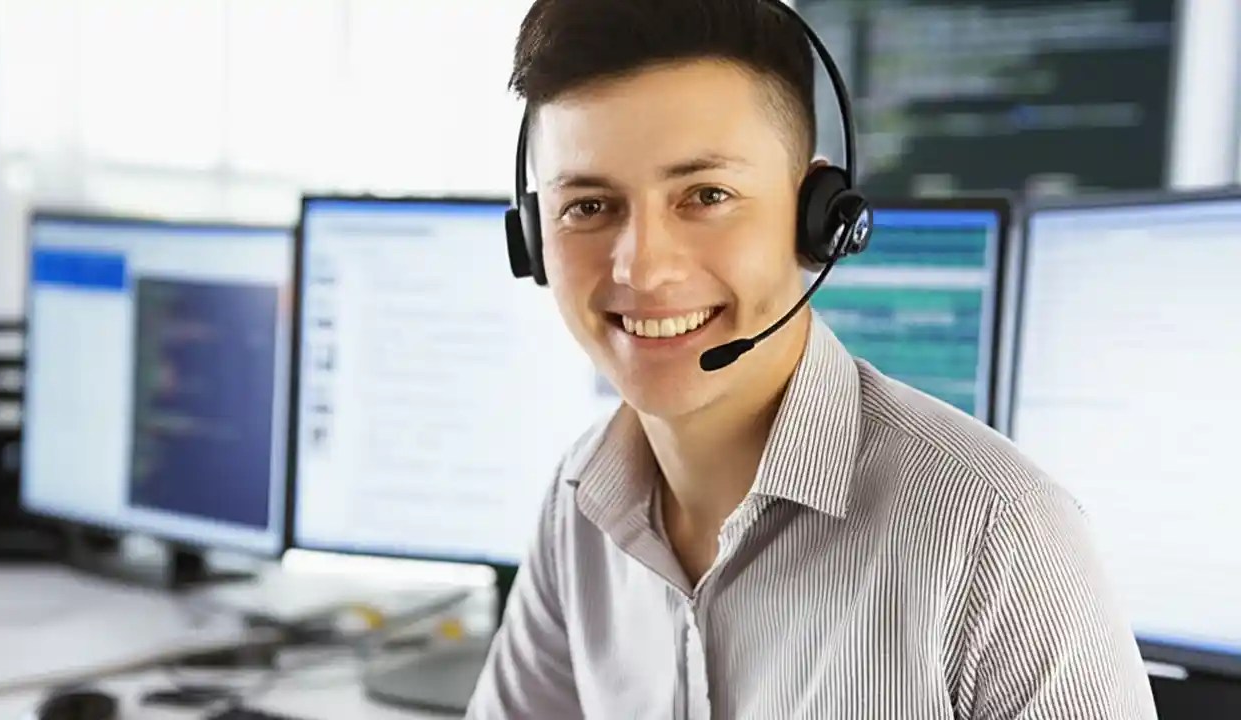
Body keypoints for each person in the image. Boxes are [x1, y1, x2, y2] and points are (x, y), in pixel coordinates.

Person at [467, 0, 1158, 717]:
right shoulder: (579, 504)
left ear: (818, 218)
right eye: (588, 206)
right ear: (533, 239)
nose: (643, 269)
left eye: (707, 195)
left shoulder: (997, 536)